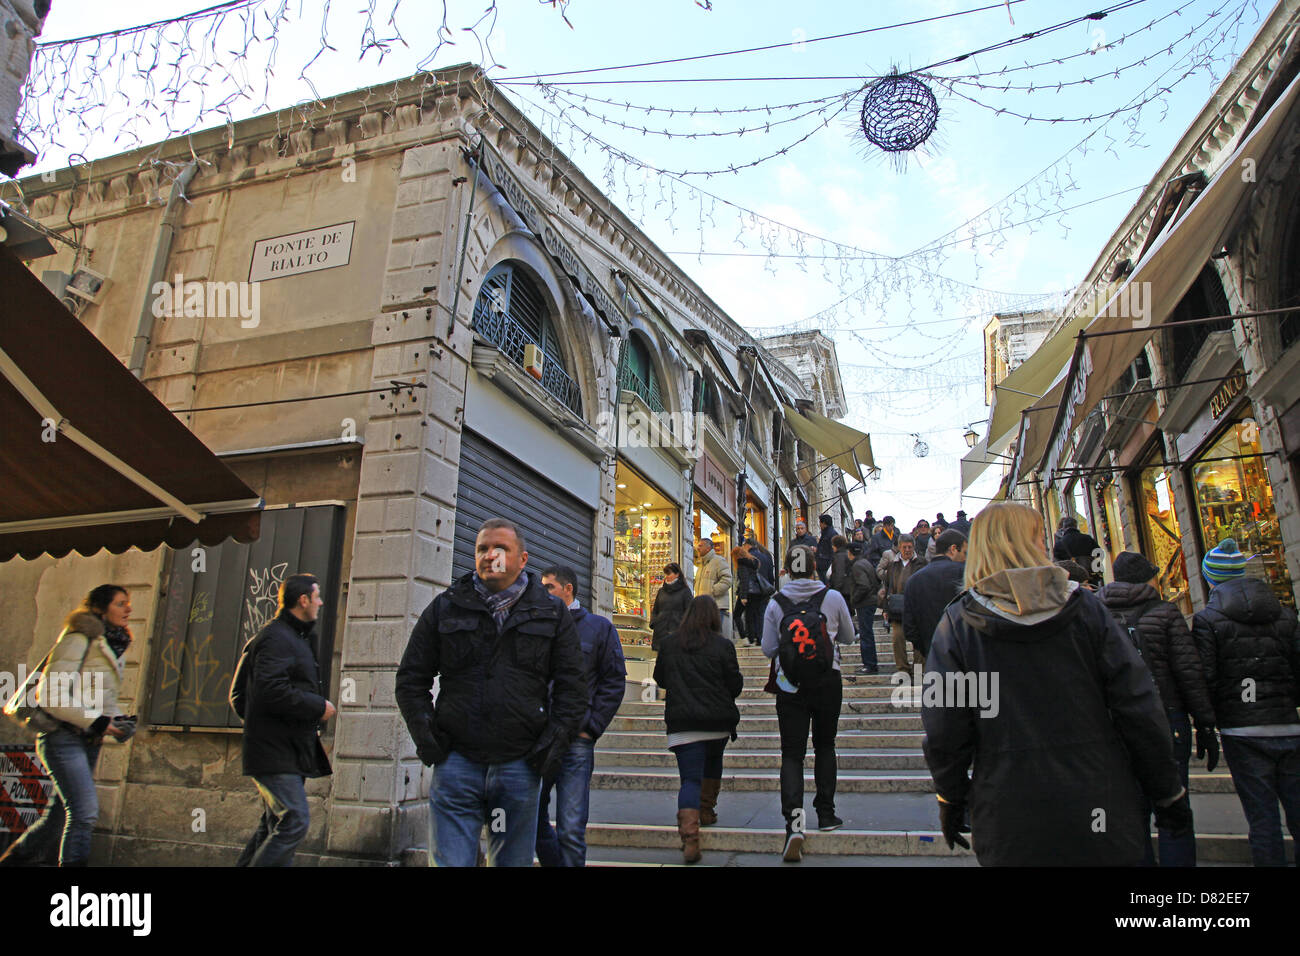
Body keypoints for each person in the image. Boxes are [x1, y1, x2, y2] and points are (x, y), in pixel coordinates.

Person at [922, 503, 1189, 866]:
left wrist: (951, 798)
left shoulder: (959, 624)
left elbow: (945, 728)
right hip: (1098, 797)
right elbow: (1137, 705)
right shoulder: (1086, 609)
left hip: (1009, 811)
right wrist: (1167, 791)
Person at [396, 518, 586, 867]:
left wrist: (552, 744)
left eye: (500, 549)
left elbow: (573, 685)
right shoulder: (447, 606)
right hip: (457, 766)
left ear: (523, 559)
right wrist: (428, 738)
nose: (489, 556)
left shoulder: (550, 612)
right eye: (482, 548)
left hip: (518, 766)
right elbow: (411, 678)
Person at [0, 586, 135, 868]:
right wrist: (98, 722)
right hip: (62, 737)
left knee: (58, 816)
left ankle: (13, 860)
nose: (128, 609)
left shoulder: (113, 645)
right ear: (100, 609)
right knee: (84, 813)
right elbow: (49, 695)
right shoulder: (78, 639)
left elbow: (101, 698)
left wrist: (118, 720)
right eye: (121, 603)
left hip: (88, 740)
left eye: (128, 603)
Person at [1101, 551, 1218, 867]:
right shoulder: (1165, 613)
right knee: (1175, 807)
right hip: (1167, 718)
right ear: (1147, 579)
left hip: (1118, 725)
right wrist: (1205, 724)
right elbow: (1189, 672)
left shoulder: (1098, 616)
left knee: (1133, 812)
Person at [1192, 538, 1300, 867]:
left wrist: (1207, 722)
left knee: (1263, 818)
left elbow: (1206, 677)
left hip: (1242, 730)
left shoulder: (1208, 620)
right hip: (1288, 724)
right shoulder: (1283, 614)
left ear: (1211, 580)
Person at [226, 573, 334, 867]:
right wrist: (317, 706)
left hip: (286, 748)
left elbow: (241, 696)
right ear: (303, 601)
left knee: (273, 825)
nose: (321, 602)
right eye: (317, 596)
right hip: (275, 751)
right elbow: (267, 690)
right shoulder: (276, 638)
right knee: (295, 820)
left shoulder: (292, 637)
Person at [763, 545, 857, 862]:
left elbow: (767, 648)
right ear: (815, 566)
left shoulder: (776, 603)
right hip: (827, 680)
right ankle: (826, 815)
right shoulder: (832, 597)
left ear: (787, 569)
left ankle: (794, 825)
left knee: (792, 753)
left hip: (789, 683)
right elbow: (848, 637)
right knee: (825, 745)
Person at [535, 566, 626, 868]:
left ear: (567, 589)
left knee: (571, 828)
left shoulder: (599, 628)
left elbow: (613, 681)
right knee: (529, 816)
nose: (543, 592)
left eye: (549, 587)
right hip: (538, 739)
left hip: (576, 740)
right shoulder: (537, 624)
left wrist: (592, 727)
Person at [653, 596, 743, 863]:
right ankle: (706, 811)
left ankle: (690, 839)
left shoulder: (669, 644)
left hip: (683, 724)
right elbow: (735, 685)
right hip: (716, 722)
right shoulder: (723, 646)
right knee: (713, 763)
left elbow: (661, 679)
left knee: (689, 779)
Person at [903, 529, 966, 667]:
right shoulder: (965, 574)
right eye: (964, 553)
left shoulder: (914, 580)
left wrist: (927, 648)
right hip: (966, 657)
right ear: (953, 549)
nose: (965, 558)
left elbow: (909, 627)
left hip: (932, 656)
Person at [879, 534, 927, 675]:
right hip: (897, 608)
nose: (907, 550)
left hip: (916, 608)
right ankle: (903, 670)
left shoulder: (922, 563)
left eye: (910, 547)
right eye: (904, 547)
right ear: (899, 547)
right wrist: (885, 609)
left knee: (918, 642)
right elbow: (888, 587)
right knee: (897, 639)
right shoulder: (893, 565)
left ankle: (918, 671)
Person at [849, 539, 882, 674]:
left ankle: (869, 664)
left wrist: (854, 599)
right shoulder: (865, 563)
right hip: (870, 601)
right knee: (867, 633)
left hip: (865, 603)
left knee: (866, 633)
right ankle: (870, 663)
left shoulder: (857, 566)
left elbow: (864, 585)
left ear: (850, 553)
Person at [694, 538, 734, 641]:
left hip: (716, 606)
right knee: (704, 635)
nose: (698, 548)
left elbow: (727, 579)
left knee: (714, 635)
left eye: (700, 545)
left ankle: (716, 656)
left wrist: (712, 591)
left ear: (708, 548)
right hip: (703, 607)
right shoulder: (701, 565)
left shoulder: (718, 561)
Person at [740, 529, 775, 648]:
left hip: (752, 589)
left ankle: (752, 637)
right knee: (761, 613)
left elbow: (744, 576)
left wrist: (743, 593)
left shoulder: (746, 558)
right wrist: (770, 587)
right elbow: (771, 575)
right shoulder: (766, 557)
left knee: (750, 614)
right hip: (764, 590)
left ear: (747, 545)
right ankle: (761, 637)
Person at [650, 563, 692, 651]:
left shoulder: (685, 591)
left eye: (669, 573)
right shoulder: (661, 591)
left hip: (677, 632)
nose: (666, 576)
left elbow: (690, 612)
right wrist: (654, 623)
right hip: (660, 631)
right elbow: (655, 610)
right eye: (665, 574)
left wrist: (683, 627)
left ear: (677, 574)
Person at [1053, 516, 1102, 587]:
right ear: (1076, 526)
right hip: (1089, 579)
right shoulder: (1087, 539)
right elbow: (1099, 554)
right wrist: (1097, 573)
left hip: (1070, 582)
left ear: (1064, 528)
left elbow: (1057, 565)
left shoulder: (1059, 544)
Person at [828, 534, 854, 605]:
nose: (832, 547)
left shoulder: (839, 556)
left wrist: (836, 590)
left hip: (843, 590)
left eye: (833, 545)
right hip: (848, 588)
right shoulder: (846, 553)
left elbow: (839, 573)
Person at [815, 514, 837, 584]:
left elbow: (832, 551)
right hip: (823, 565)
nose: (820, 525)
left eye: (820, 523)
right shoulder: (826, 533)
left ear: (824, 523)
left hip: (826, 565)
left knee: (827, 584)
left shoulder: (830, 534)